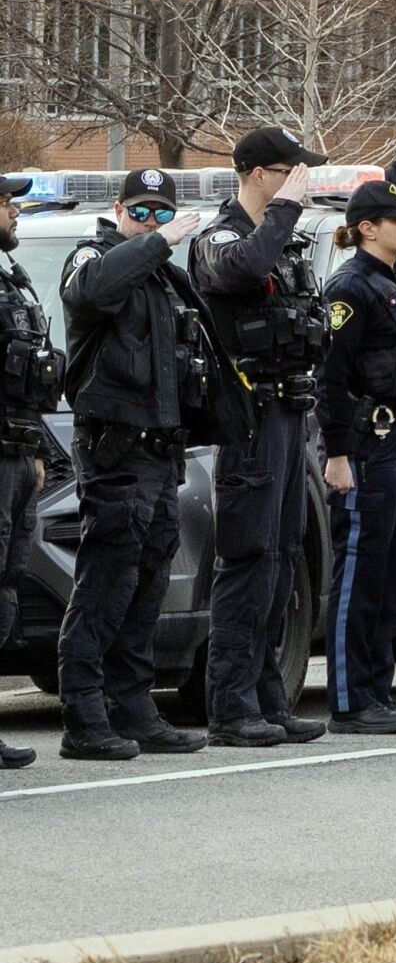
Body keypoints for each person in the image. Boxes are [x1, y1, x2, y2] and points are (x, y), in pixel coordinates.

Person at [57, 170, 254, 759]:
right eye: (141, 212)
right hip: (113, 452)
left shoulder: (163, 280)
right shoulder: (96, 256)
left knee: (144, 588)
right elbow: (87, 293)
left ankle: (134, 706)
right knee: (104, 586)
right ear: (118, 209)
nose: (151, 223)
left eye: (163, 215)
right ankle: (84, 716)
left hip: (159, 455)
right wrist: (154, 244)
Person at [191, 125, 332, 747]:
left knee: (280, 559)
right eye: (288, 171)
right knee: (248, 561)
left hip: (290, 416)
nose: (299, 182)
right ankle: (230, 703)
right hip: (247, 421)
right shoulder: (221, 238)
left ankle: (268, 694)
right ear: (257, 174)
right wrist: (285, 211)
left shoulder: (285, 240)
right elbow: (242, 269)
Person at [315, 181, 396, 734]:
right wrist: (339, 452)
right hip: (367, 445)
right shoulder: (350, 288)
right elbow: (332, 379)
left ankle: (378, 691)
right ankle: (350, 701)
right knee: (360, 576)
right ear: (368, 227)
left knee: (391, 575)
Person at [0, 171, 63, 769]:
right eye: (3, 202)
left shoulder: (10, 278)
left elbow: (29, 381)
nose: (14, 211)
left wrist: (37, 450)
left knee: (6, 586)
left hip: (16, 453)